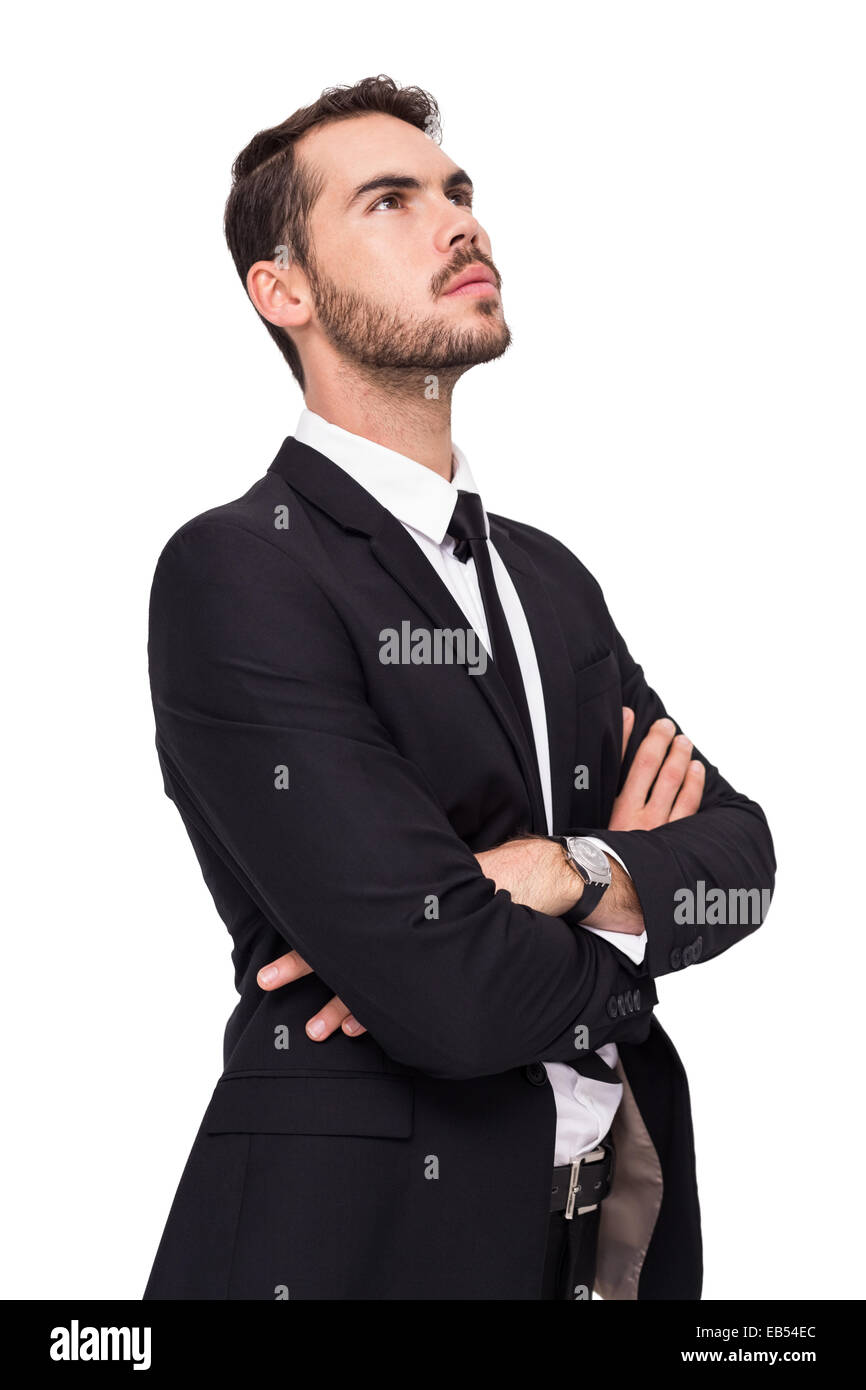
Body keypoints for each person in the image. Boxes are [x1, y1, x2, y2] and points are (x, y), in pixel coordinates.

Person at [143, 76, 774, 1301]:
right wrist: (633, 912)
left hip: (601, 1248)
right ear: (285, 291)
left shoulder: (545, 576)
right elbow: (449, 995)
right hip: (359, 1252)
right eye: (389, 201)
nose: (458, 224)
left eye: (457, 192)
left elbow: (742, 857)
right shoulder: (238, 569)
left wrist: (561, 871)